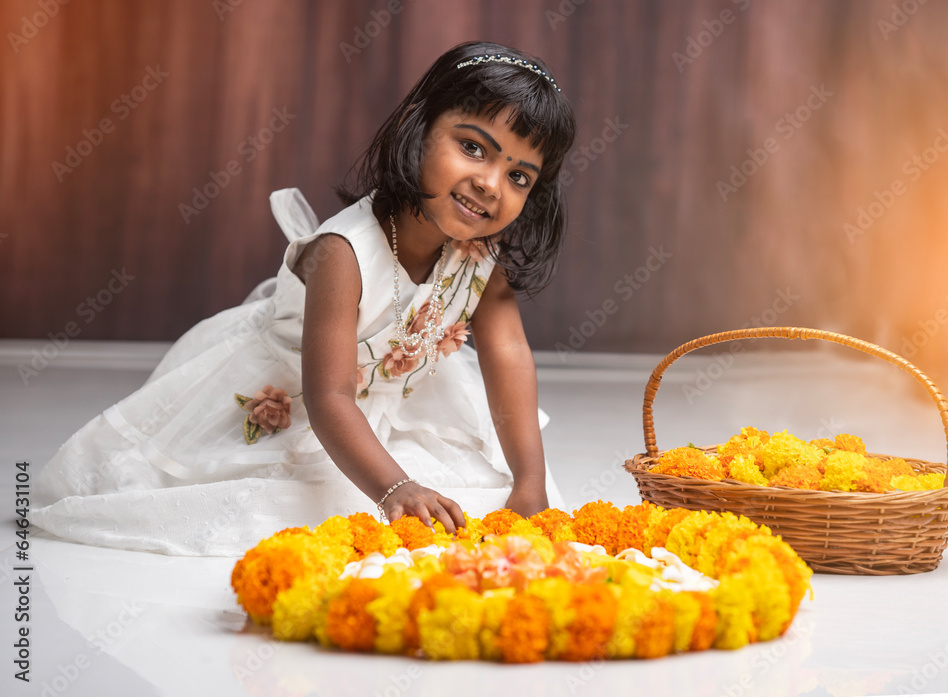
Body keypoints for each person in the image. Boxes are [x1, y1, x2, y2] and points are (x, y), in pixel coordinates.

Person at [30, 41, 577, 556]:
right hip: (305, 390)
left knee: (485, 490)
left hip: (390, 394)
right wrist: (394, 489)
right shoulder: (344, 251)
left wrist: (529, 480)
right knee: (302, 501)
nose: (490, 183)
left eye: (519, 175)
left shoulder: (481, 252)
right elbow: (330, 397)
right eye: (473, 148)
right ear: (420, 128)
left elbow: (508, 354)